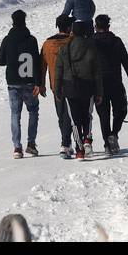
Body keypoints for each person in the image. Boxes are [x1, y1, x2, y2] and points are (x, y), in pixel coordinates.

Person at [0, 9, 43, 158]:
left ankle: (17, 148)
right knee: (33, 111)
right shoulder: (31, 40)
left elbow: (0, 61)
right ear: (25, 21)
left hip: (13, 83)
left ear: (12, 21)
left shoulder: (7, 40)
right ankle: (31, 144)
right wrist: (38, 82)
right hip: (29, 82)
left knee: (15, 114)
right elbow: (36, 62)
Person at [55, 20, 103, 157]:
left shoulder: (65, 49)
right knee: (87, 115)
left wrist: (58, 90)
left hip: (70, 88)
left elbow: (59, 71)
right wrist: (99, 92)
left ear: (72, 32)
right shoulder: (91, 48)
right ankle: (87, 139)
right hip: (88, 87)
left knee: (74, 120)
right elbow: (97, 73)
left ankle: (80, 150)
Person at [93, 15, 128, 153]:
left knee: (103, 115)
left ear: (95, 26)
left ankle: (107, 145)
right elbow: (126, 62)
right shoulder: (116, 41)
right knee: (121, 111)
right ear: (108, 26)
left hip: (98, 85)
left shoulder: (92, 42)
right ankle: (114, 133)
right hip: (116, 82)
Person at [40, 15, 75, 158]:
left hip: (56, 85)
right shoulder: (72, 42)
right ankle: (66, 144)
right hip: (72, 84)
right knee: (72, 115)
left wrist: (41, 84)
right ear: (68, 28)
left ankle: (65, 143)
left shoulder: (47, 44)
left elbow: (41, 66)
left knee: (61, 115)